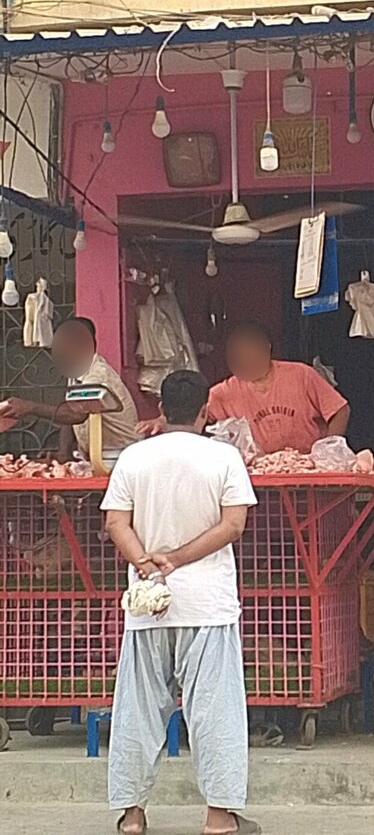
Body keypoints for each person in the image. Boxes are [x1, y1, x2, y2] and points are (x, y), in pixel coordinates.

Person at [101, 370, 260, 835]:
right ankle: (218, 816)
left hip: (147, 604)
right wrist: (178, 558)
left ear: (161, 410)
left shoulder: (134, 458)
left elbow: (115, 523)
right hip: (207, 604)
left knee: (137, 707)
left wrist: (147, 563)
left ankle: (132, 815)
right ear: (206, 410)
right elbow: (233, 527)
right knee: (215, 709)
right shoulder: (224, 457)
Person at [140, 322, 350, 455]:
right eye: (238, 358)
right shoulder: (225, 391)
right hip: (260, 475)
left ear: (266, 348)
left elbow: (340, 410)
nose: (245, 362)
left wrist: (325, 451)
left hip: (309, 471)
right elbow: (192, 411)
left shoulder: (301, 375)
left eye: (250, 355)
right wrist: (162, 420)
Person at [0, 317, 138, 464]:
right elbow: (70, 410)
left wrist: (30, 407)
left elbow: (76, 415)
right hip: (95, 455)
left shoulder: (97, 374)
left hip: (118, 455)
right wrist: (63, 453)